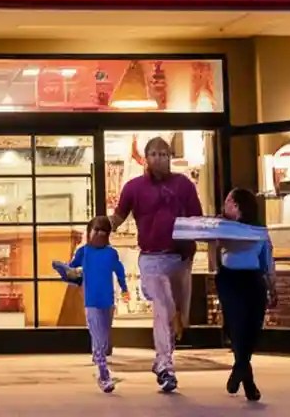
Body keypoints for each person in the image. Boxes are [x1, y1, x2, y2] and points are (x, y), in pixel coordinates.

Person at [110, 136, 203, 393]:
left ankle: (162, 358)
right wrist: (99, 229)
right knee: (163, 306)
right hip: (151, 259)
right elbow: (117, 218)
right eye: (154, 154)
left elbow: (197, 218)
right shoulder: (133, 187)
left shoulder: (184, 185)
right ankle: (165, 367)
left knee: (177, 316)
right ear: (146, 158)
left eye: (164, 154)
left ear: (170, 157)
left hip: (180, 258)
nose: (160, 158)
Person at [213, 188, 277, 402]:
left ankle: (240, 368)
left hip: (253, 280)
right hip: (230, 279)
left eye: (227, 201)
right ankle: (246, 377)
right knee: (237, 327)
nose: (225, 206)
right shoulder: (224, 227)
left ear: (236, 204)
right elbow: (214, 247)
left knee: (252, 328)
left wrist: (272, 285)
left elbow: (267, 257)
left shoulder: (258, 231)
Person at [54, 216, 129, 393]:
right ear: (89, 232)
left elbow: (119, 271)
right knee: (97, 336)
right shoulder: (84, 252)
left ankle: (99, 358)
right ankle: (104, 375)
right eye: (96, 231)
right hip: (91, 302)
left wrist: (125, 289)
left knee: (102, 339)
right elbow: (71, 269)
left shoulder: (111, 253)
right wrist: (62, 269)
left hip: (108, 302)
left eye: (103, 232)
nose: (99, 235)